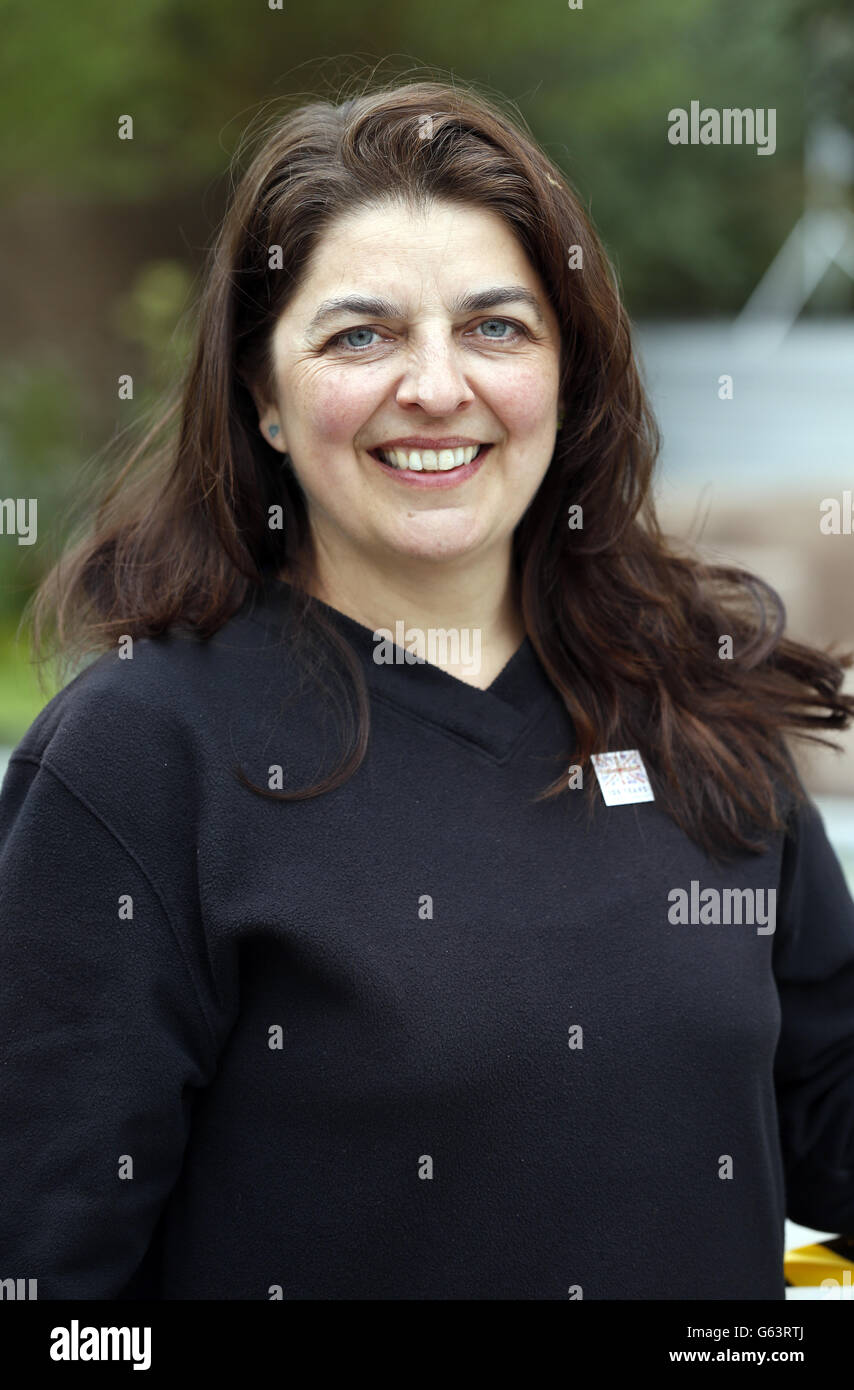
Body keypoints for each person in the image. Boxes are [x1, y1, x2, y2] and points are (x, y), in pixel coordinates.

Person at [1, 77, 853, 1301]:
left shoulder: (684, 695)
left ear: (566, 373)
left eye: (496, 327)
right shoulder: (139, 758)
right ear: (262, 398)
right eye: (361, 334)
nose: (437, 385)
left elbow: (822, 1121)